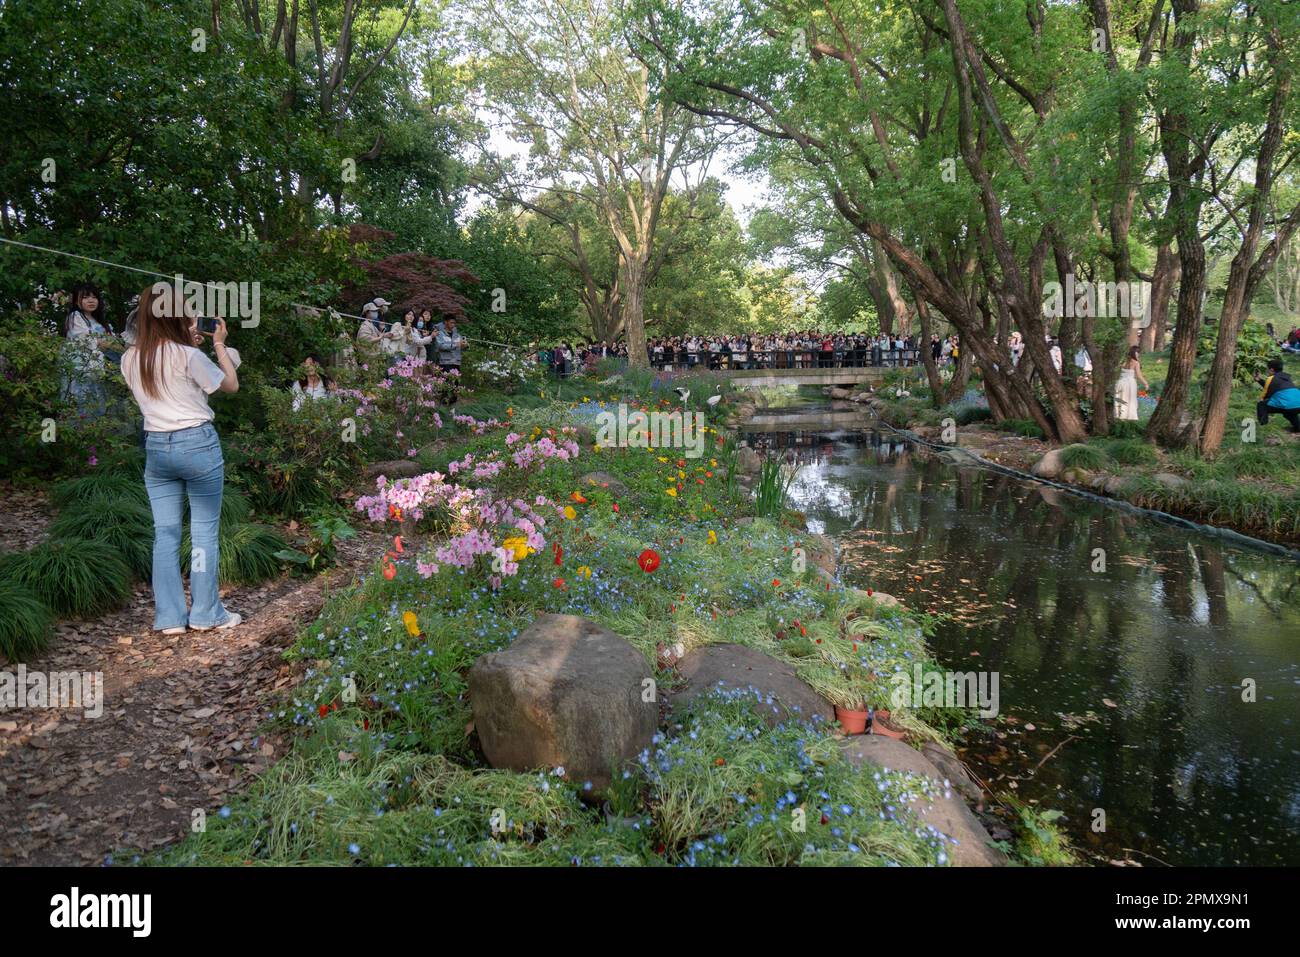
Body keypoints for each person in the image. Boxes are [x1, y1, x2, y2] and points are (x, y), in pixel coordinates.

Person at [119, 283, 242, 633]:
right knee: (203, 533)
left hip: (157, 449)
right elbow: (229, 385)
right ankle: (205, 613)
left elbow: (165, 383)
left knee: (166, 534)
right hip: (197, 445)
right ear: (176, 316)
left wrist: (189, 346)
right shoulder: (188, 356)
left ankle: (169, 617)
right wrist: (218, 343)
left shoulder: (130, 359)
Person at [62, 283, 113, 416]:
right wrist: (104, 342)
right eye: (85, 297)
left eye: (94, 297)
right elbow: (86, 341)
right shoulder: (75, 317)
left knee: (100, 401)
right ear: (76, 300)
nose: (91, 300)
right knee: (82, 401)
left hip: (100, 367)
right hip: (82, 368)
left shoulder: (100, 320)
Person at [1256, 358, 1300, 433]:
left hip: (1288, 405)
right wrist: (1259, 380)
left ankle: (1263, 428)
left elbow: (1265, 395)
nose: (1267, 371)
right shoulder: (1286, 378)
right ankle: (1298, 428)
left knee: (1261, 405)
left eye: (1267, 369)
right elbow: (1274, 387)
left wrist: (1261, 399)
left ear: (1272, 369)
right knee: (1289, 412)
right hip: (1298, 405)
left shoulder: (1270, 378)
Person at [1114, 346, 1150, 421]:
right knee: (1130, 400)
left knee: (1121, 399)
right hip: (1129, 384)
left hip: (1120, 382)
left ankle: (1120, 417)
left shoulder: (1123, 361)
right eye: (1138, 352)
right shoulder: (1135, 363)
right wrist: (1146, 384)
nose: (1139, 354)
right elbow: (1139, 375)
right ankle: (1129, 417)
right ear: (1135, 353)